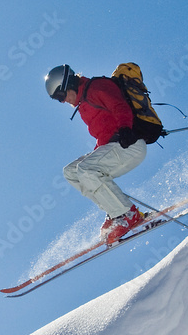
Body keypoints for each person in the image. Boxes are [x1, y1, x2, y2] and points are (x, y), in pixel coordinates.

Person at [45, 64, 147, 244]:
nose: (62, 101)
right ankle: (115, 211)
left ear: (69, 83)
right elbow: (103, 136)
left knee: (86, 169)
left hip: (129, 144)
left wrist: (125, 128)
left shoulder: (96, 87)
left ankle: (128, 214)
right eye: (57, 100)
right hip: (115, 147)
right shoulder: (84, 104)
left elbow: (119, 105)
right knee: (71, 172)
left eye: (61, 95)